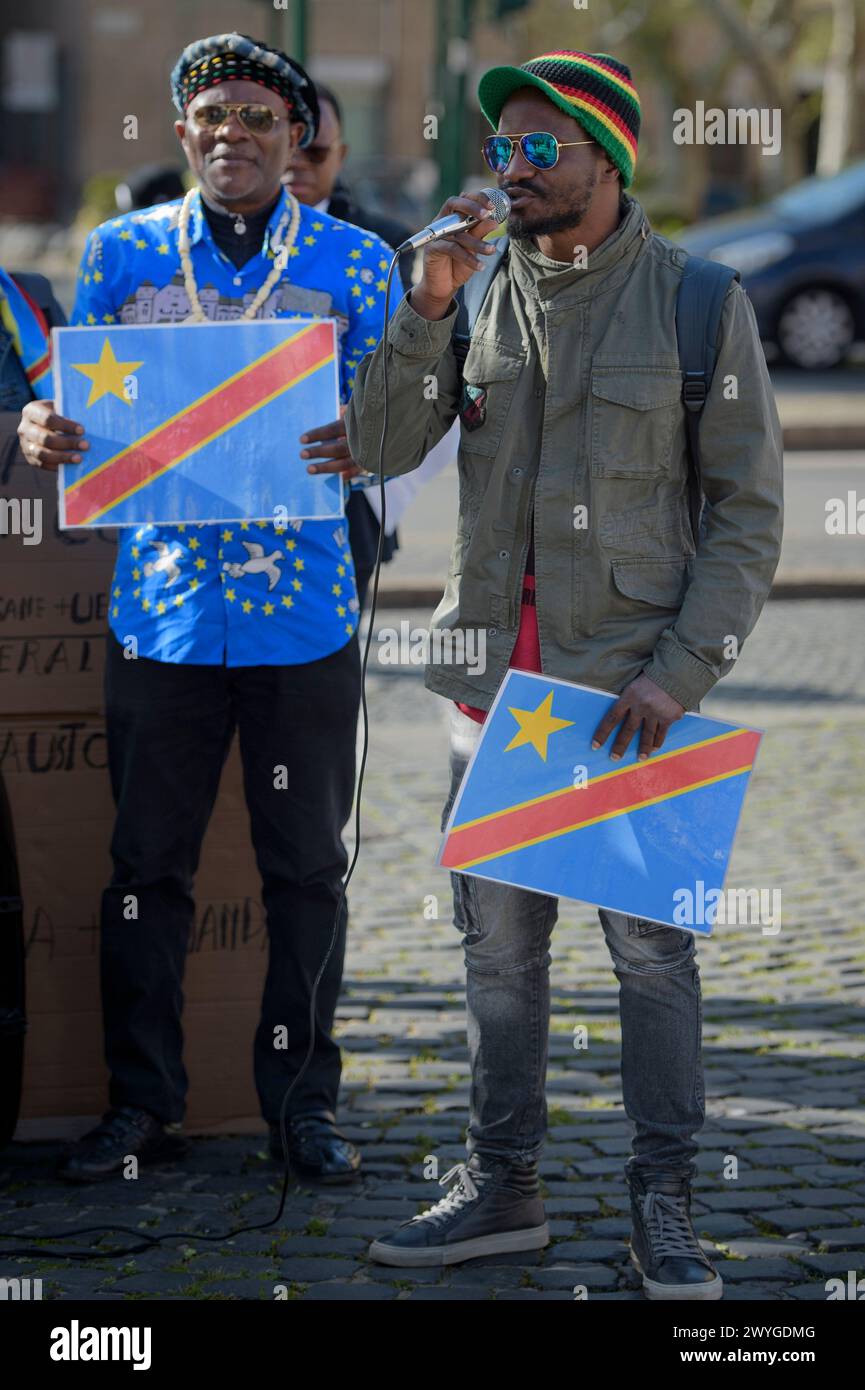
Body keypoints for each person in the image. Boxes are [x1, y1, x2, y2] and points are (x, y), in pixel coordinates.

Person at [315, 50, 783, 1296]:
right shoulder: (471, 292)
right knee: (498, 958)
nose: (510, 171)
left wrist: (682, 676)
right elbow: (373, 441)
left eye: (537, 149)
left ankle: (664, 1206)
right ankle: (501, 1187)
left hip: (628, 694)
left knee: (648, 961)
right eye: (501, 151)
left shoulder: (698, 301)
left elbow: (747, 516)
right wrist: (423, 308)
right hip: (487, 695)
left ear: (604, 160)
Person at [17, 31, 397, 1185]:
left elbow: (412, 422)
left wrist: (372, 434)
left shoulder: (357, 265)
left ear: (299, 142)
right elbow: (75, 406)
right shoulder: (122, 256)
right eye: (212, 118)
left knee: (306, 872)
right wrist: (45, 434)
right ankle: (143, 1105)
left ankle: (302, 1105)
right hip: (165, 614)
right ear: (182, 136)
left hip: (305, 619)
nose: (234, 135)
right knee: (146, 870)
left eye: (259, 119)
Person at [285, 81, 416, 608]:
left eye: (315, 150)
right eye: (287, 143)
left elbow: (427, 364)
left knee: (326, 673)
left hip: (348, 490)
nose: (296, 162)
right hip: (232, 486)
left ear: (340, 155)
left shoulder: (387, 244)